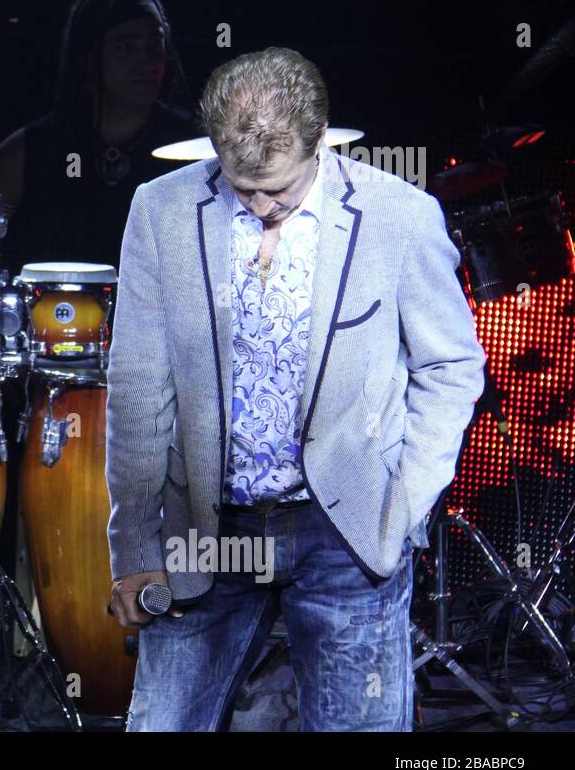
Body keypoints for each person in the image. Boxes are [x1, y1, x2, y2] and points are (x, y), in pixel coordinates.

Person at [105, 47, 485, 731]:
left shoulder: (399, 216)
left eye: (277, 189)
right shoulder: (159, 210)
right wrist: (133, 548)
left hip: (345, 530)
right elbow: (136, 384)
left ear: (322, 140)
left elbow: (450, 368)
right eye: (241, 186)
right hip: (207, 532)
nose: (258, 205)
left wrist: (402, 507)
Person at [0, 0, 198, 269]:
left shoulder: (194, 147)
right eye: (127, 47)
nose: (147, 61)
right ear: (88, 57)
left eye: (155, 46)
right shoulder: (30, 151)